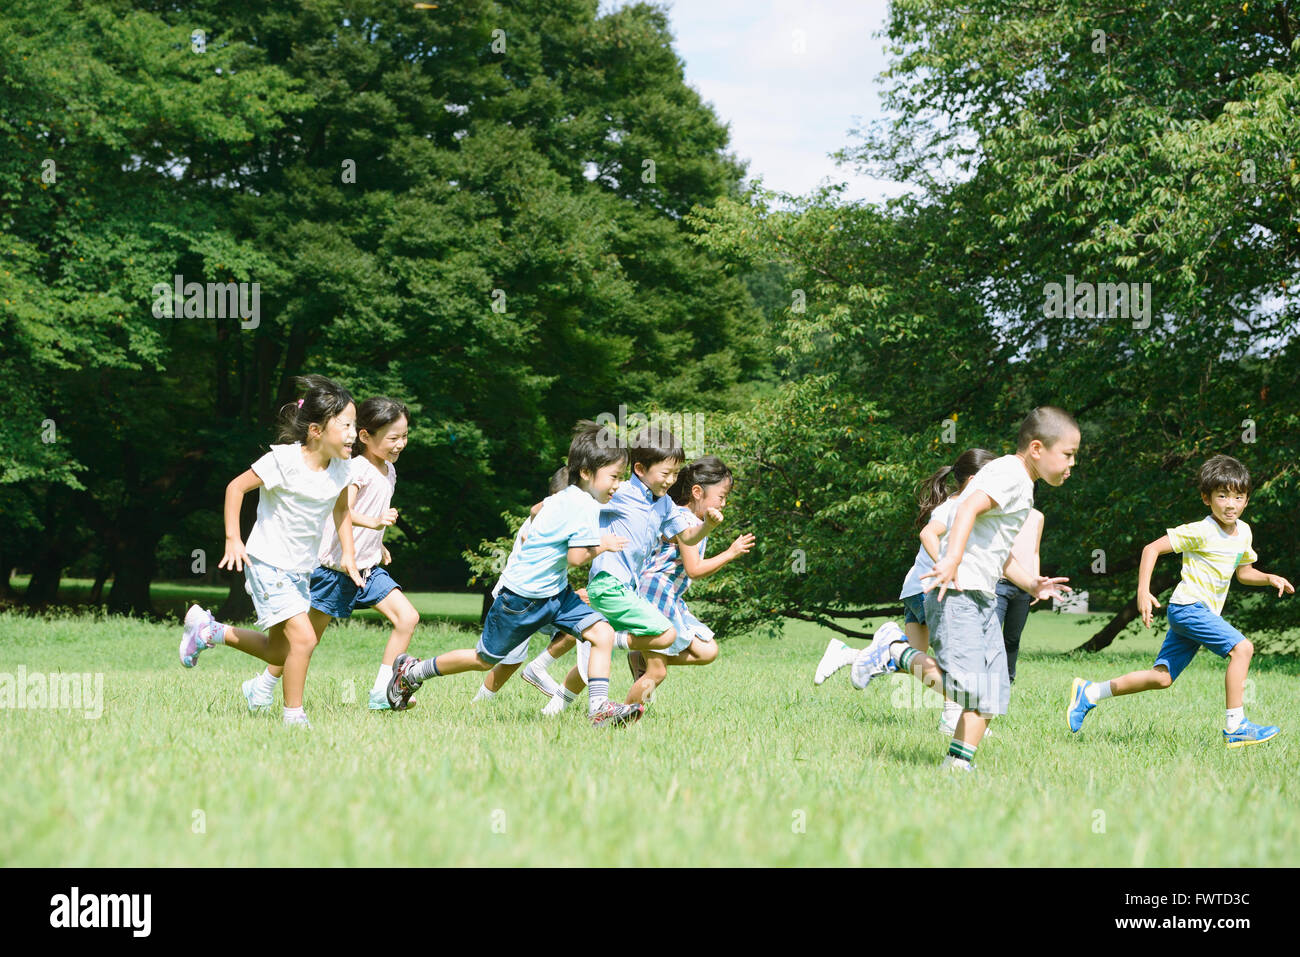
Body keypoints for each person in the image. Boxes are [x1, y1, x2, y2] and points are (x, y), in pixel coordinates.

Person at [851, 407, 1079, 771]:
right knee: (968, 688)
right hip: (958, 592)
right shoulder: (1011, 474)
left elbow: (996, 551)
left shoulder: (1021, 482)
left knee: (994, 693)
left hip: (982, 594)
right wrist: (952, 558)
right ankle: (893, 652)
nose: (1071, 465)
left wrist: (1030, 581)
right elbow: (969, 506)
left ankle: (957, 766)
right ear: (1037, 448)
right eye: (1067, 455)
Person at [386, 420, 643, 727]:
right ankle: (412, 672)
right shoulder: (585, 506)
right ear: (587, 473)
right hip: (521, 598)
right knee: (484, 660)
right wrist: (603, 544)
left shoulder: (566, 497)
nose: (617, 485)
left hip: (554, 593)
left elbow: (537, 510)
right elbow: (576, 557)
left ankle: (599, 707)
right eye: (614, 477)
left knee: (601, 632)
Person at [1068, 454, 1291, 748]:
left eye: (1238, 497)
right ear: (1206, 498)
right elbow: (1151, 549)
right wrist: (1143, 592)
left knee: (1162, 678)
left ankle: (1090, 693)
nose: (1230, 504)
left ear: (1247, 500)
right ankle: (1236, 725)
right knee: (1243, 648)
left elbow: (1244, 572)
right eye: (1222, 496)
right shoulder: (1201, 530)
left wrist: (1269, 578)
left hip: (1198, 613)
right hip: (1188, 608)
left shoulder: (1244, 532)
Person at [178, 375, 362, 728]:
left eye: (355, 425)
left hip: (299, 569)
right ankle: (294, 716)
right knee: (305, 638)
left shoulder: (342, 468)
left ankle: (208, 630)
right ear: (316, 430)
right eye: (346, 425)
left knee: (278, 651)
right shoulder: (284, 461)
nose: (354, 433)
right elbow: (235, 488)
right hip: (267, 562)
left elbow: (341, 511)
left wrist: (348, 554)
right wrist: (233, 538)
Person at [241, 397, 420, 712]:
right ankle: (262, 687)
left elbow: (367, 517)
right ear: (365, 436)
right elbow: (344, 512)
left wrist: (377, 542)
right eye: (393, 437)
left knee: (407, 617)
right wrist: (376, 523)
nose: (400, 444)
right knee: (305, 643)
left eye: (404, 436)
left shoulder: (389, 471)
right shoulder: (354, 469)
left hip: (367, 569)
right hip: (335, 570)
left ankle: (382, 691)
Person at [542, 424, 719, 715]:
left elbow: (687, 537)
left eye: (676, 474)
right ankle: (606, 643)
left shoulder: (663, 505)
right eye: (665, 474)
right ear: (640, 469)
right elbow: (576, 502)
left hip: (627, 590)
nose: (671, 480)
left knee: (600, 648)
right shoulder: (620, 493)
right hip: (608, 585)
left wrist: (707, 527)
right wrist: (545, 513)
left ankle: (553, 709)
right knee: (665, 635)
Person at [623, 455, 754, 704]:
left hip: (669, 597)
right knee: (657, 672)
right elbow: (694, 569)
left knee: (707, 651)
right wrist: (730, 553)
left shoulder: (695, 521)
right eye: (721, 496)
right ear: (697, 492)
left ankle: (640, 655)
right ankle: (623, 717)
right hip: (654, 595)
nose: (724, 503)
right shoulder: (683, 520)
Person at [473, 467, 578, 703]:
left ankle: (538, 668)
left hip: (543, 595)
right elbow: (528, 538)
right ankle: (480, 700)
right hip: (517, 596)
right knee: (504, 660)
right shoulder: (545, 515)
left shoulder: (561, 517)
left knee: (581, 626)